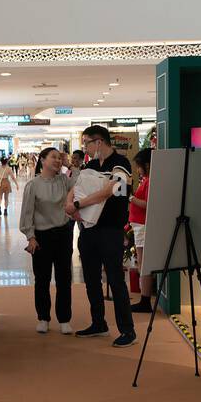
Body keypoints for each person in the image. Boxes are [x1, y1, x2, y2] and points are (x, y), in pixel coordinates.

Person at [66, 125, 136, 346]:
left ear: (98, 142)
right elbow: (76, 186)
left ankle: (127, 330)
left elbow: (111, 190)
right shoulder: (92, 165)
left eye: (86, 142)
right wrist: (70, 204)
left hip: (111, 231)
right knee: (92, 280)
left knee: (115, 280)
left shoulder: (121, 163)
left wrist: (79, 203)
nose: (84, 147)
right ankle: (99, 323)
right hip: (88, 230)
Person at [20, 147, 76, 335]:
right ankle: (43, 317)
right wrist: (31, 236)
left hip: (63, 234)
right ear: (42, 160)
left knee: (64, 278)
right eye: (54, 157)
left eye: (60, 158)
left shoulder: (64, 180)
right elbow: (27, 213)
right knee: (42, 279)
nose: (58, 160)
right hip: (41, 237)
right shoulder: (33, 185)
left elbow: (81, 183)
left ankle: (65, 319)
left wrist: (71, 166)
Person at [129, 148, 154, 313]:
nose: (138, 170)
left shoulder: (150, 181)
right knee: (141, 262)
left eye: (139, 166)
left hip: (143, 226)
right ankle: (144, 299)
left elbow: (148, 204)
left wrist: (131, 198)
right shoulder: (147, 180)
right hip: (139, 225)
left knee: (143, 263)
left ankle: (145, 300)